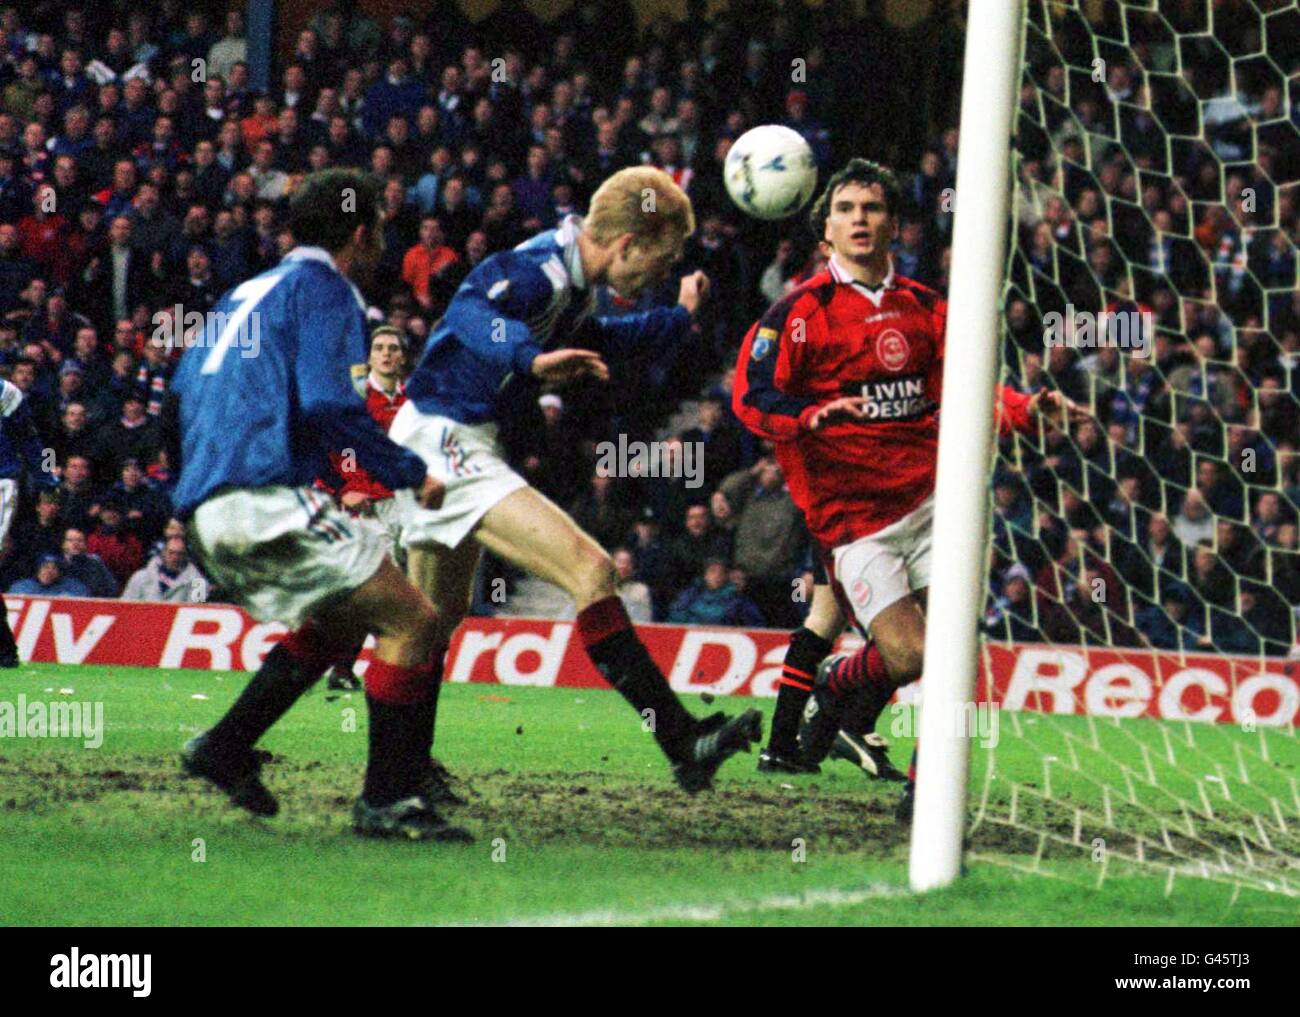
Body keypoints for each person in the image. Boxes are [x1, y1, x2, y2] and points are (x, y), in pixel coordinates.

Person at [392, 166, 762, 793]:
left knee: (431, 620)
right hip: (444, 438)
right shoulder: (541, 270)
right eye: (662, 258)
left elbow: (601, 340)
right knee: (592, 572)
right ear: (629, 244)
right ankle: (681, 740)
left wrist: (677, 317)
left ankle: (400, 772)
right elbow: (470, 308)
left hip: (448, 434)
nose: (660, 273)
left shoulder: (573, 283)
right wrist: (530, 358)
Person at [732, 159, 1083, 819]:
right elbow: (750, 399)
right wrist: (808, 416)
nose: (859, 219)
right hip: (853, 523)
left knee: (952, 650)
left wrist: (1028, 410)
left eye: (872, 208)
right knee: (910, 653)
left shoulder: (925, 307)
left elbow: (970, 390)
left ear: (893, 224)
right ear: (826, 229)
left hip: (932, 504)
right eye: (846, 209)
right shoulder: (797, 312)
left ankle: (924, 793)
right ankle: (836, 692)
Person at [168, 169, 464, 842]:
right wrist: (408, 471)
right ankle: (388, 800)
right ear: (360, 233)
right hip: (263, 495)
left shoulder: (242, 294)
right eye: (380, 228)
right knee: (414, 618)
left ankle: (223, 746)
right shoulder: (328, 290)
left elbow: (177, 398)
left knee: (341, 620)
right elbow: (330, 404)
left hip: (206, 509)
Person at [1, 376, 57, 665]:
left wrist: (47, 480)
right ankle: (5, 649)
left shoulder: (5, 392)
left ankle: (5, 650)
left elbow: (33, 441)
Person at [121, 535, 209, 602]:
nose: (175, 557)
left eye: (179, 553)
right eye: (171, 552)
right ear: (163, 553)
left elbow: (196, 612)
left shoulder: (199, 584)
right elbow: (126, 606)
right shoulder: (140, 576)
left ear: (186, 556)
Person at [9, 554, 91, 598]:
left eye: (54, 568)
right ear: (38, 569)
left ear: (60, 572)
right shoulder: (22, 587)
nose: (49, 571)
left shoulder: (74, 587)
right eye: (45, 567)